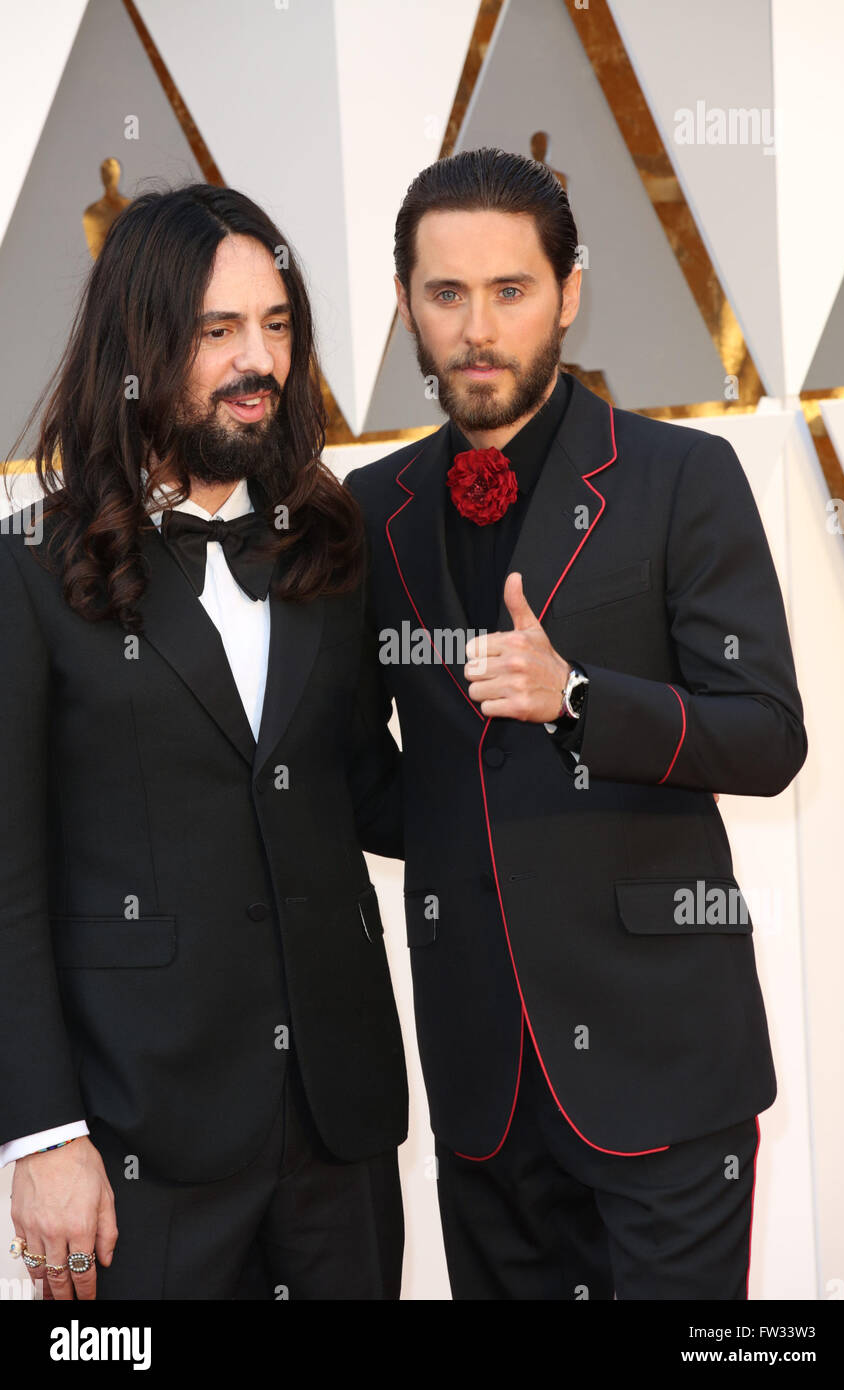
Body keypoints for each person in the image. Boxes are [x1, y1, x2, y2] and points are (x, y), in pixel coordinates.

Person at [344, 147, 807, 1300]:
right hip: (479, 1079)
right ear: (405, 302)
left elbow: (763, 731)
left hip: (660, 1064)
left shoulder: (679, 477)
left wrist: (581, 703)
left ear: (568, 290)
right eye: (445, 294)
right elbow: (356, 768)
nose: (476, 327)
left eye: (511, 289)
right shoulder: (367, 513)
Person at [0, 184, 407, 1301]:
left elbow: (367, 791)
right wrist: (39, 1135)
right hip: (135, 1150)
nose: (256, 359)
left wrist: (563, 730)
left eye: (275, 325)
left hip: (339, 1128)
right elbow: (8, 881)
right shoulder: (27, 570)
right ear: (138, 342)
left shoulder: (330, 544)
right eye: (217, 329)